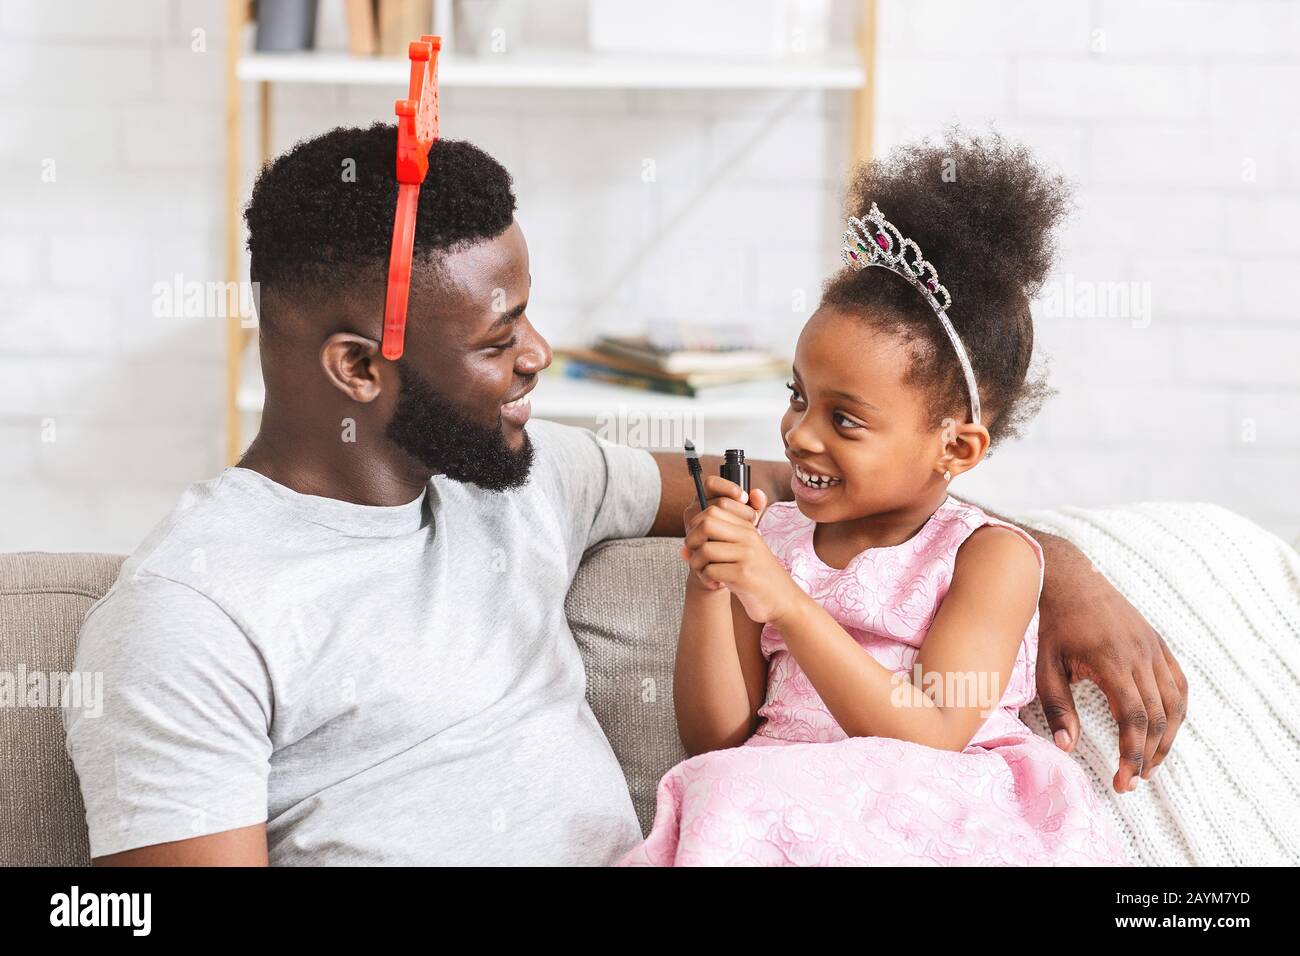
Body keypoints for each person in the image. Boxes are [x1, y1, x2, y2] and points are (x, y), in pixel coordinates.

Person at [64, 124, 1185, 866]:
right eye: (501, 338)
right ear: (360, 369)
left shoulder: (529, 474)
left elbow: (828, 495)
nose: (541, 354)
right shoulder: (192, 614)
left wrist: (1058, 564)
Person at [618, 131, 1135, 866]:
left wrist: (789, 605)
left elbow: (931, 732)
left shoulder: (989, 558)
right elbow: (717, 740)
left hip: (927, 813)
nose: (798, 434)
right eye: (797, 396)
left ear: (955, 448)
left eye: (845, 419)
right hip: (778, 798)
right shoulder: (778, 543)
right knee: (724, 794)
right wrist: (712, 589)